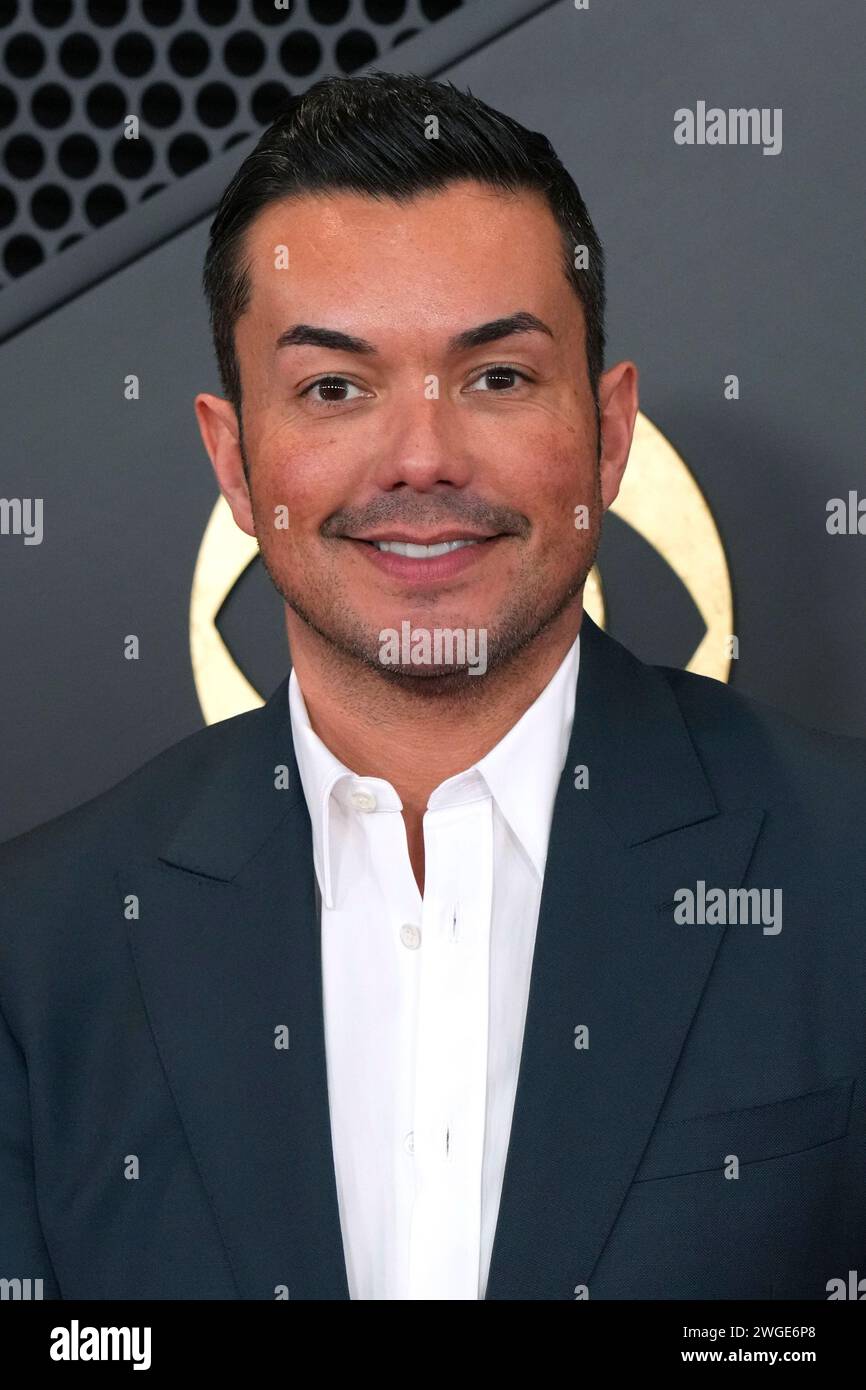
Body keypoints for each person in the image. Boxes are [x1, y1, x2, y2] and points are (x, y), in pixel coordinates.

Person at [1, 72, 864, 1302]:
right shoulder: (38, 950)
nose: (421, 458)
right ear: (232, 462)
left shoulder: (841, 871)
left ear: (608, 435)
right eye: (333, 388)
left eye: (497, 377)